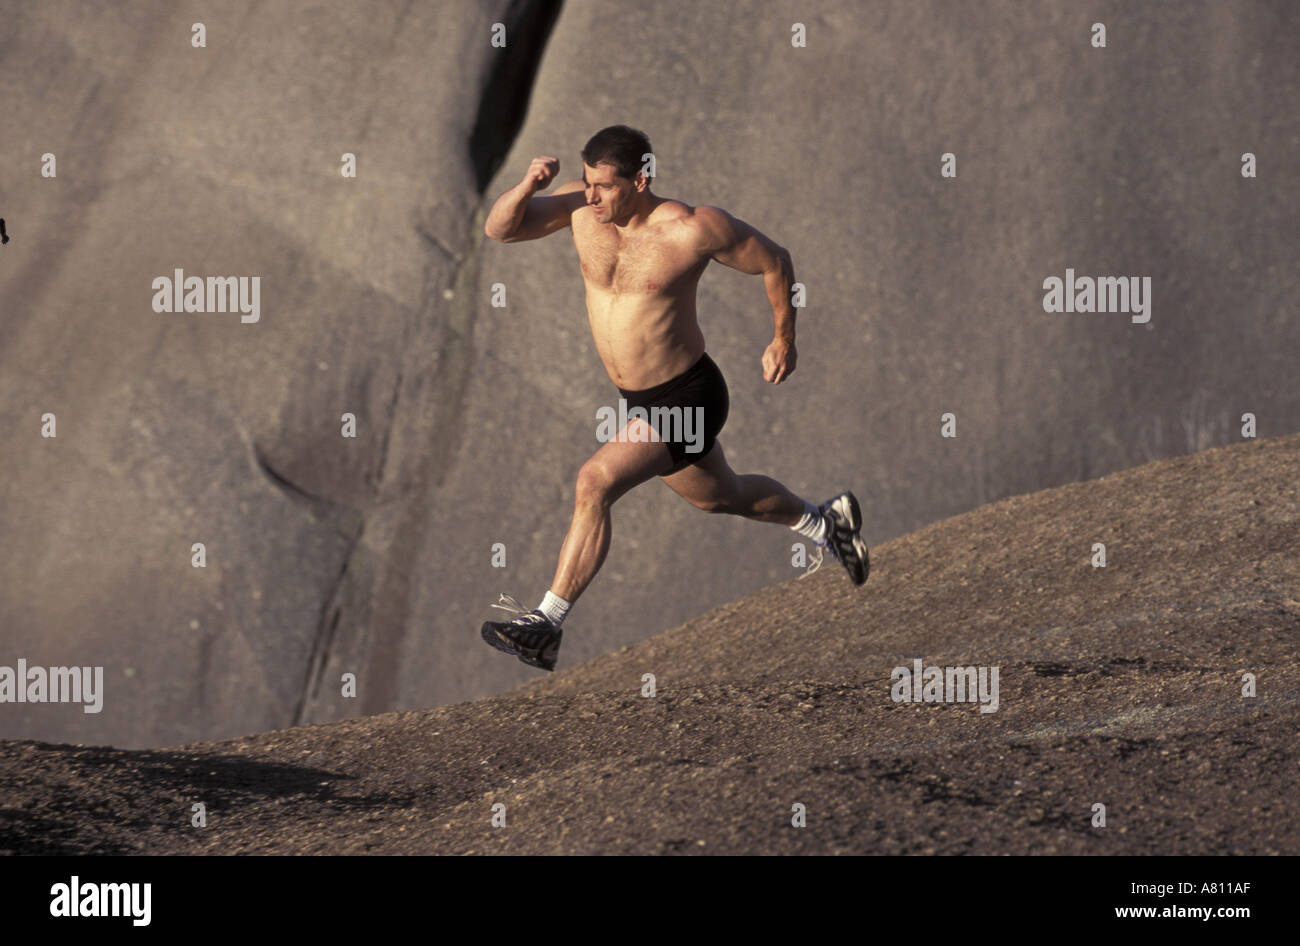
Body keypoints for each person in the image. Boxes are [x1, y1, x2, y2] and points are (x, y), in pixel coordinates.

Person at [479, 125, 867, 671]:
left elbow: (775, 260)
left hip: (691, 395)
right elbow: (501, 230)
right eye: (586, 183)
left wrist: (784, 339)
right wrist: (527, 183)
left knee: (595, 481)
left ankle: (546, 623)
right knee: (720, 497)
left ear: (641, 179)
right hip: (640, 400)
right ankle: (827, 524)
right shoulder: (581, 210)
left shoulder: (692, 229)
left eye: (604, 187)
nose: (590, 196)